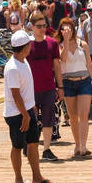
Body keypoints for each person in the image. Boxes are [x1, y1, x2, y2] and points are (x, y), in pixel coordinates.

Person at [2, 30, 56, 183]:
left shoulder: (23, 62)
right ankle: (18, 179)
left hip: (27, 110)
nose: (31, 46)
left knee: (33, 143)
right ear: (25, 47)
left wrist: (30, 107)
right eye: (29, 44)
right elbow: (15, 93)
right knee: (17, 145)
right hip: (16, 114)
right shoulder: (12, 67)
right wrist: (25, 115)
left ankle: (37, 177)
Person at [57, 18, 92, 159]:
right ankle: (77, 144)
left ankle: (84, 145)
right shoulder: (60, 45)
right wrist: (66, 41)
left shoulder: (83, 44)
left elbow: (90, 64)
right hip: (68, 83)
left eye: (69, 28)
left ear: (74, 29)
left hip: (84, 81)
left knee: (83, 115)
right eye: (64, 29)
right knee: (73, 116)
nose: (67, 31)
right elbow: (64, 59)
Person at [27, 12, 63, 161]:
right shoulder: (26, 43)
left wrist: (60, 87)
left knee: (49, 120)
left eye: (44, 26)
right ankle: (29, 147)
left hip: (48, 87)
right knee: (30, 120)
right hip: (30, 89)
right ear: (32, 27)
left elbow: (57, 66)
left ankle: (46, 149)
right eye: (39, 26)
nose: (42, 29)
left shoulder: (52, 43)